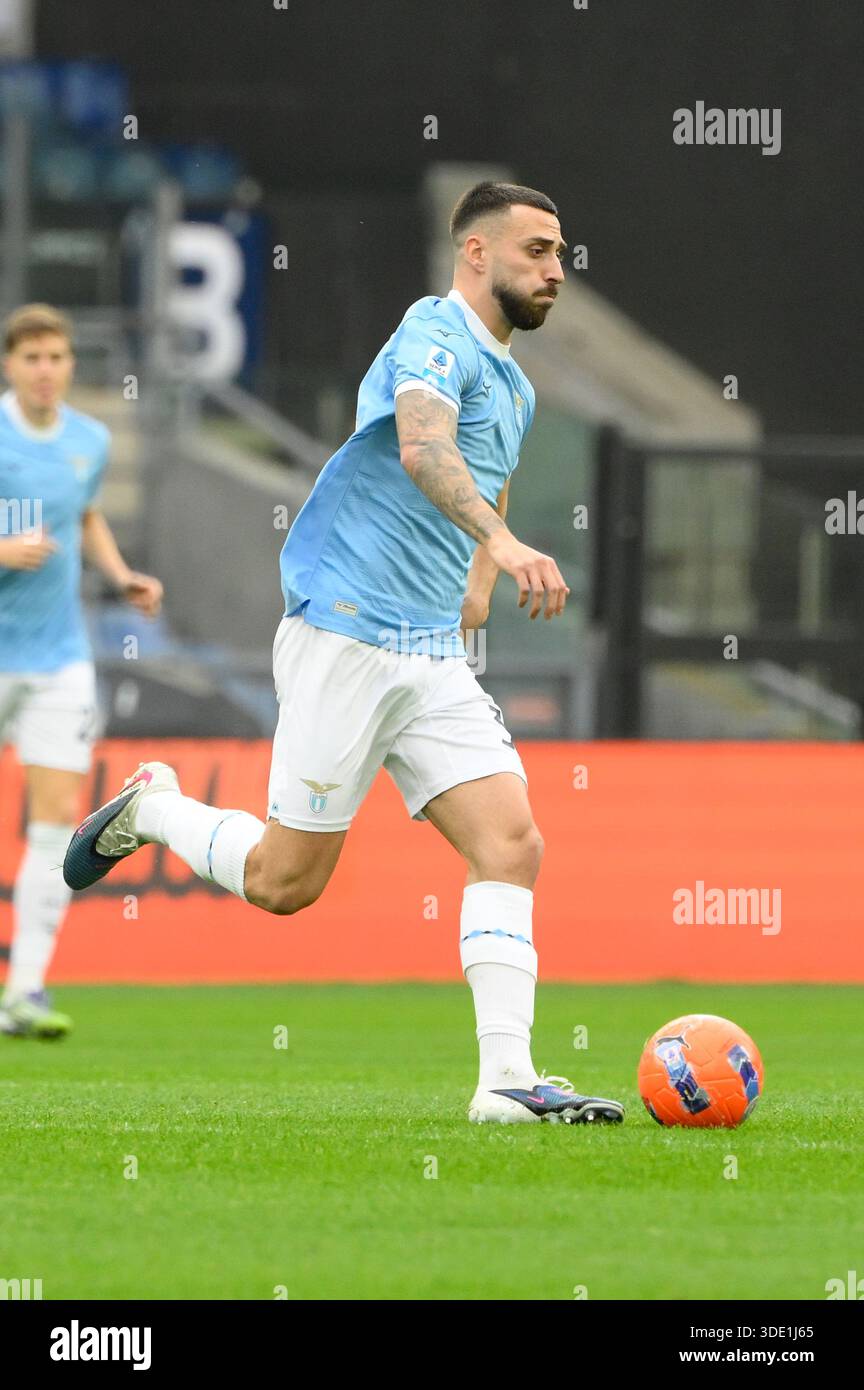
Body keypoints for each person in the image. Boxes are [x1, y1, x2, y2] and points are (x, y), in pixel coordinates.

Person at [64, 183, 624, 1125]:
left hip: (431, 653)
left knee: (513, 844)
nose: (557, 270)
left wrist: (481, 575)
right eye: (537, 251)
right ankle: (153, 809)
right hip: (349, 632)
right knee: (288, 883)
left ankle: (504, 1085)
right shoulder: (432, 334)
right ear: (478, 254)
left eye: (562, 252)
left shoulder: (519, 386)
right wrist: (503, 544)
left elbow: (489, 467)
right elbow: (422, 446)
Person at [0, 304, 163, 1038]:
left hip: (60, 658)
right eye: (31, 356)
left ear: (70, 365)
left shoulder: (88, 440)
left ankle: (25, 990)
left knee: (55, 822)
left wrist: (121, 575)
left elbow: (86, 513)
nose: (44, 370)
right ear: (10, 364)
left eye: (56, 357)